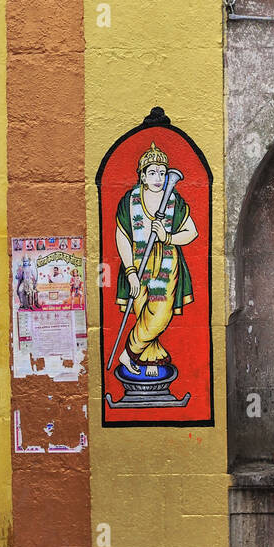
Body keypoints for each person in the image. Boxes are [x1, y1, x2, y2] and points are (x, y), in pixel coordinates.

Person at [114, 145, 197, 378]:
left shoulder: (174, 200)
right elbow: (122, 235)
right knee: (143, 315)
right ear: (142, 175)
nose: (159, 178)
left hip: (167, 266)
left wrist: (167, 237)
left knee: (159, 316)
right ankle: (151, 362)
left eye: (162, 172)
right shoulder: (130, 201)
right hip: (138, 266)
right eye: (152, 173)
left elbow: (192, 232)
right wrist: (130, 272)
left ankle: (127, 354)